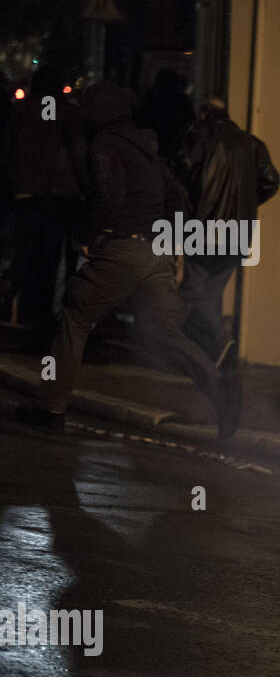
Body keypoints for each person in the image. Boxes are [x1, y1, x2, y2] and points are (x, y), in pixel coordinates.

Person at [14, 81, 241, 438]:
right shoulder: (149, 147)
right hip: (158, 250)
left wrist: (86, 235)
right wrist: (173, 238)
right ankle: (218, 384)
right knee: (163, 331)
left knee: (74, 318)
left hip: (125, 248)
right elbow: (178, 195)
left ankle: (51, 407)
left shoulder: (105, 146)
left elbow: (109, 197)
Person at [171, 97, 279, 368]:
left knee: (193, 293)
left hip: (205, 228)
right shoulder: (252, 144)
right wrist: (246, 204)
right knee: (209, 295)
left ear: (202, 113)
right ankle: (206, 356)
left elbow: (181, 174)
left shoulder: (198, 136)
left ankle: (218, 346)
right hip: (238, 233)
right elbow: (270, 181)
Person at [0, 65, 87, 344]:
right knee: (50, 256)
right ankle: (40, 316)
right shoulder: (67, 113)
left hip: (25, 192)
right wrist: (85, 185)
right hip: (57, 194)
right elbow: (77, 151)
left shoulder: (21, 112)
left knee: (25, 251)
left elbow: (8, 150)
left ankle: (15, 300)